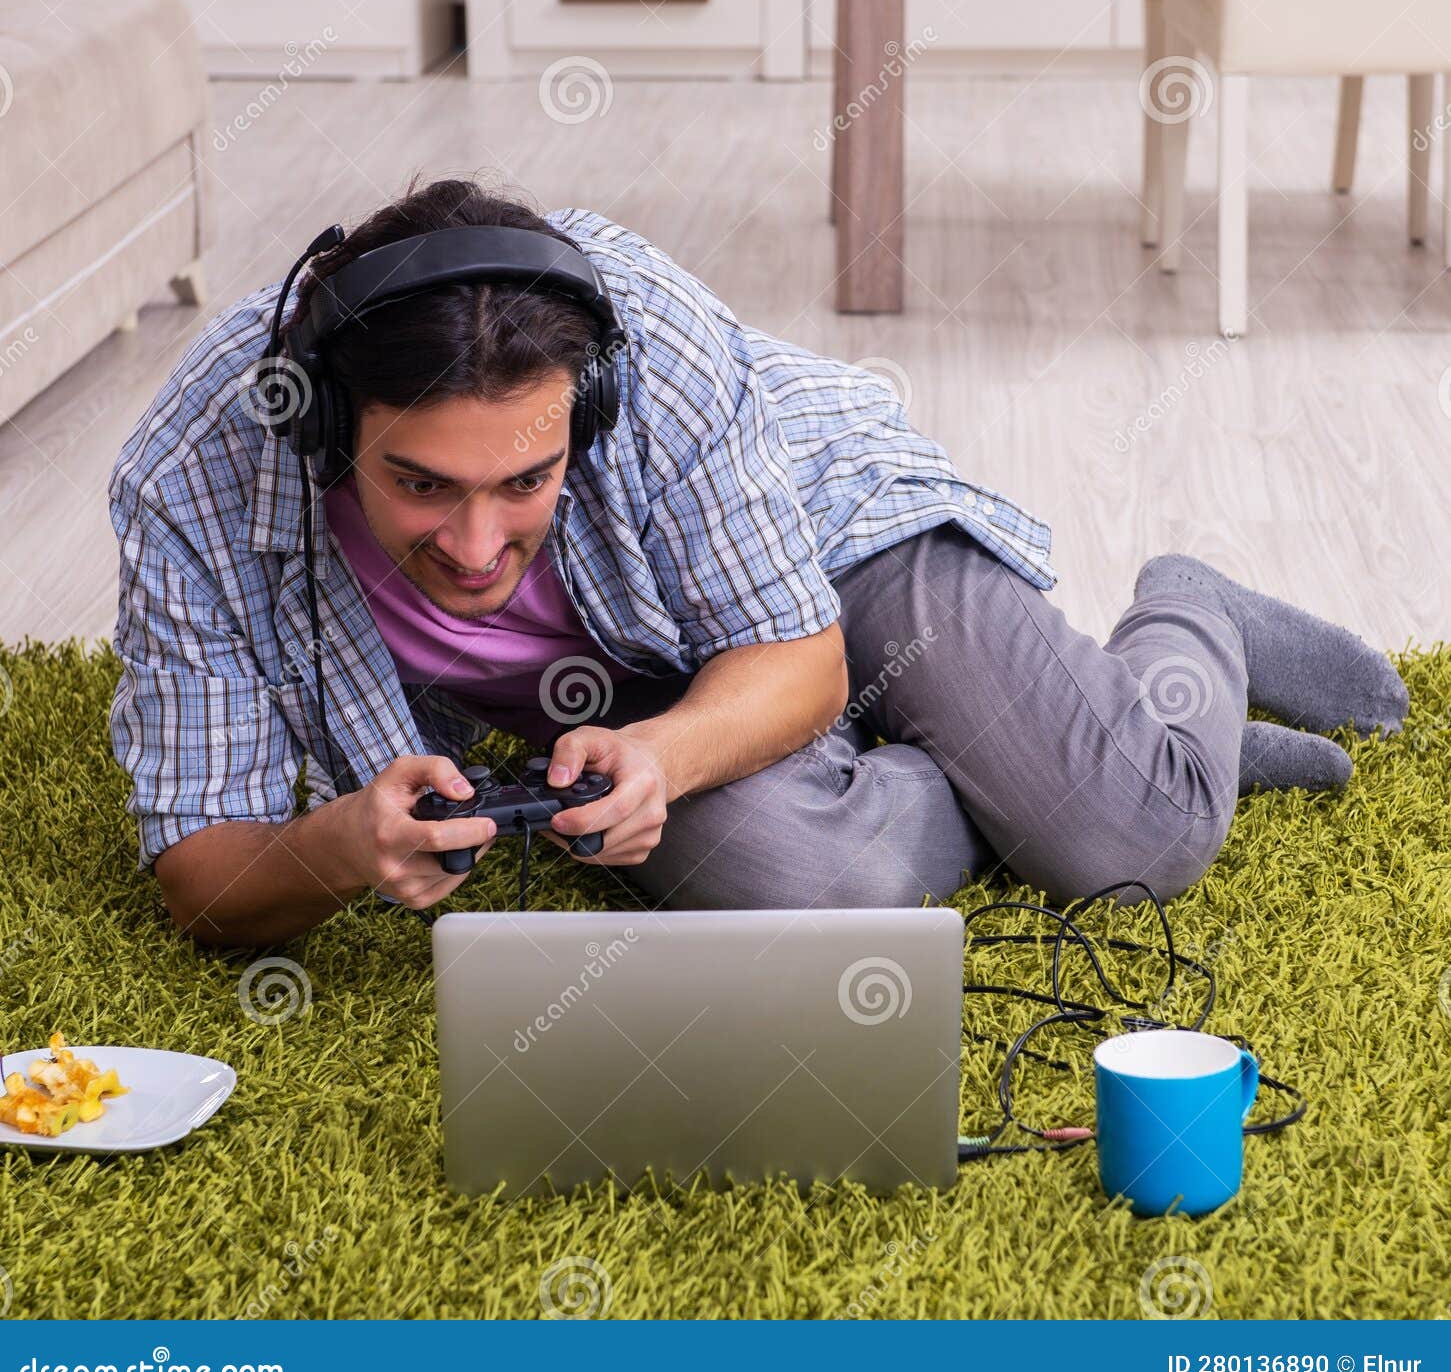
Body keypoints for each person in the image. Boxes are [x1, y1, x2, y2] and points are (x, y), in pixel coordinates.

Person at [108, 177, 1408, 946]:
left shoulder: (639, 341)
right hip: (621, 692)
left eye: (526, 480)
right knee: (808, 887)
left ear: (586, 417)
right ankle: (1048, 742)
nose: (478, 546)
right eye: (420, 486)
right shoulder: (202, 471)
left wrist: (672, 756)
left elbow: (796, 653)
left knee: (1140, 835)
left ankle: (1183, 623)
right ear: (334, 429)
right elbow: (203, 868)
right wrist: (338, 843)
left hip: (836, 558)